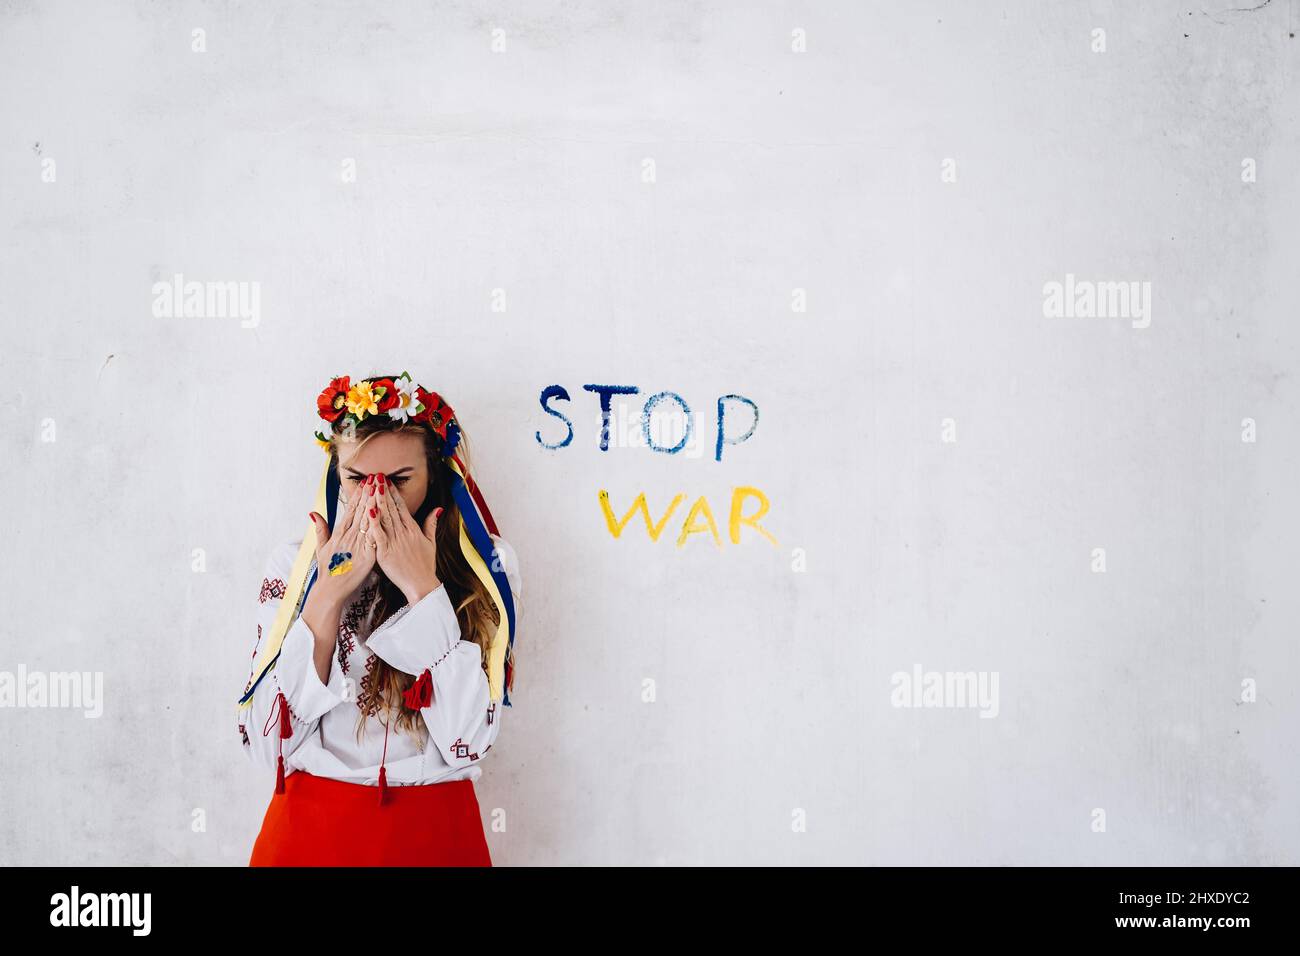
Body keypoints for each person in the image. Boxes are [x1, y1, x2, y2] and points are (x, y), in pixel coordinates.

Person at [237, 371, 520, 866]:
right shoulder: (295, 566)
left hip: (434, 837)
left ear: (436, 475)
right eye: (356, 479)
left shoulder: (487, 566)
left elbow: (468, 743)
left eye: (399, 481)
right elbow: (268, 749)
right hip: (309, 837)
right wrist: (326, 597)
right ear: (335, 474)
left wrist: (423, 590)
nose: (377, 498)